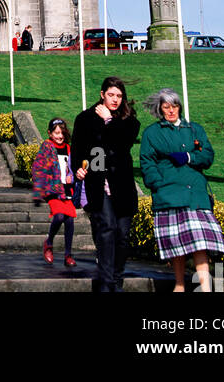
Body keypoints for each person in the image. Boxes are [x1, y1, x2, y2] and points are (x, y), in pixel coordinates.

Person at [139, 88, 224, 293]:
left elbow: (208, 156)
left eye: (174, 106)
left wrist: (189, 157)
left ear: (180, 106)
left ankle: (205, 287)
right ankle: (179, 285)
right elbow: (147, 162)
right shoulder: (152, 132)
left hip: (195, 193)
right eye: (166, 107)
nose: (171, 111)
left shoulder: (194, 129)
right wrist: (157, 184)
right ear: (160, 109)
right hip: (168, 194)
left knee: (200, 242)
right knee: (176, 244)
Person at [71, 75, 140, 293]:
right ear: (102, 95)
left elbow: (124, 142)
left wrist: (110, 120)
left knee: (122, 234)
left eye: (119, 96)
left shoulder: (128, 120)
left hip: (122, 184)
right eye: (111, 95)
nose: (115, 99)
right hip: (99, 182)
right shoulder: (84, 119)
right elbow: (79, 150)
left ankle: (117, 278)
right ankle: (107, 282)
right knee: (107, 228)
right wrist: (79, 169)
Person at [32, 116, 83, 267]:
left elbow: (72, 168)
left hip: (67, 190)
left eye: (62, 133)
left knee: (70, 220)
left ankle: (68, 254)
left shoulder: (68, 148)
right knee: (60, 216)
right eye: (56, 133)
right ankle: (48, 243)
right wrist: (38, 192)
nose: (59, 136)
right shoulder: (47, 146)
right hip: (53, 189)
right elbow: (38, 168)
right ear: (50, 133)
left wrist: (71, 177)